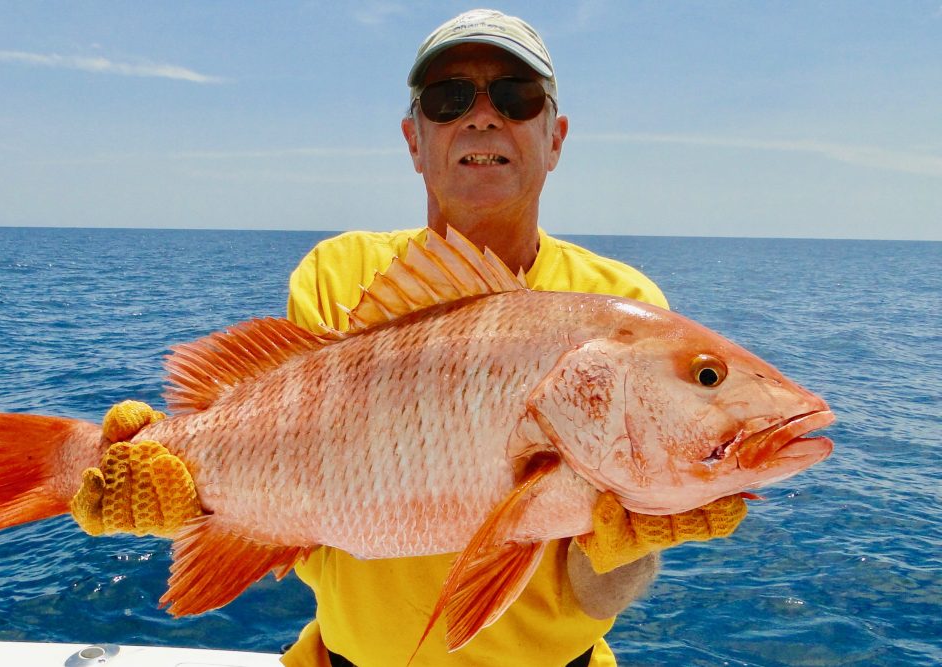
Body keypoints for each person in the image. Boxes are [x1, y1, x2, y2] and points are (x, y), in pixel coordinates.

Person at [73, 9, 747, 666]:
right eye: (449, 98)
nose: (483, 115)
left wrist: (633, 538)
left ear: (556, 137)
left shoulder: (626, 307)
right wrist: (184, 498)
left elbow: (595, 590)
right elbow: (299, 509)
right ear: (413, 141)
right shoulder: (337, 275)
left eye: (516, 95)